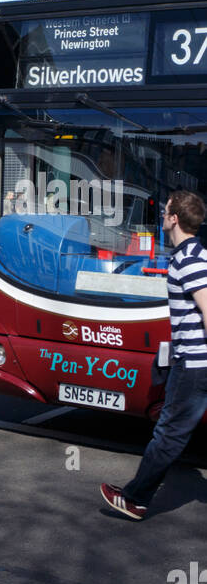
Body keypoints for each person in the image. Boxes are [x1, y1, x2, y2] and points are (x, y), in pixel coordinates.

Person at [101, 190, 207, 521]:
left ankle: (135, 498)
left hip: (194, 365)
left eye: (165, 213)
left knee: (169, 432)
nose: (161, 217)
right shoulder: (193, 254)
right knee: (171, 430)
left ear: (175, 219)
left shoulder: (189, 260)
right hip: (190, 361)